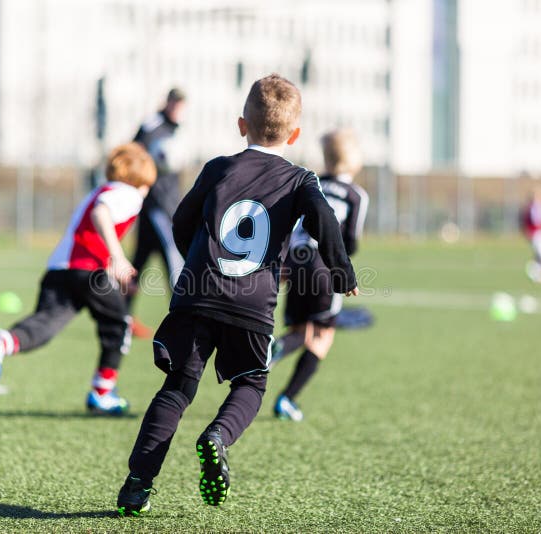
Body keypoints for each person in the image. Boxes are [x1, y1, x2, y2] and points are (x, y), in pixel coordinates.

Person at [115, 74, 359, 516]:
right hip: (252, 302)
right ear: (295, 135)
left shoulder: (217, 168)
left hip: (197, 293)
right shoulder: (301, 179)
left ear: (241, 124)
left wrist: (195, 262)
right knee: (251, 382)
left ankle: (137, 486)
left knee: (177, 388)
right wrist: (342, 273)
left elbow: (182, 222)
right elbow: (324, 221)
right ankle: (218, 435)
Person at [0, 143, 157, 415]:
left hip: (59, 270)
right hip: (89, 273)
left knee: (44, 325)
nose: (147, 191)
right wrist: (117, 257)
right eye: (147, 185)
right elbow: (101, 214)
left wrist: (113, 268)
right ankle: (102, 394)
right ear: (139, 180)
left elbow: (88, 230)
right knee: (119, 325)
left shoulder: (99, 191)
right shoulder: (128, 193)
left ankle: (3, 342)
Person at [268, 129, 369, 422]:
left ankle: (276, 348)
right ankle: (287, 398)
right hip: (325, 265)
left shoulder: (309, 182)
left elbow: (291, 226)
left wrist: (285, 264)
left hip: (296, 261)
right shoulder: (356, 195)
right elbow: (350, 241)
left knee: (302, 331)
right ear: (354, 160)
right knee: (323, 335)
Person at [128, 88, 187, 337]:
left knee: (139, 262)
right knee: (174, 260)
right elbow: (134, 154)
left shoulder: (176, 129)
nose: (178, 110)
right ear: (168, 103)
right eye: (176, 105)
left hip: (167, 205)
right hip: (155, 207)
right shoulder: (152, 126)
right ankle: (182, 319)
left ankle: (122, 317)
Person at [521, 187, 541, 284]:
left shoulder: (536, 206)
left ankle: (537, 269)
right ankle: (535, 270)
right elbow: (537, 221)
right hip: (537, 234)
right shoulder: (535, 207)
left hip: (538, 234)